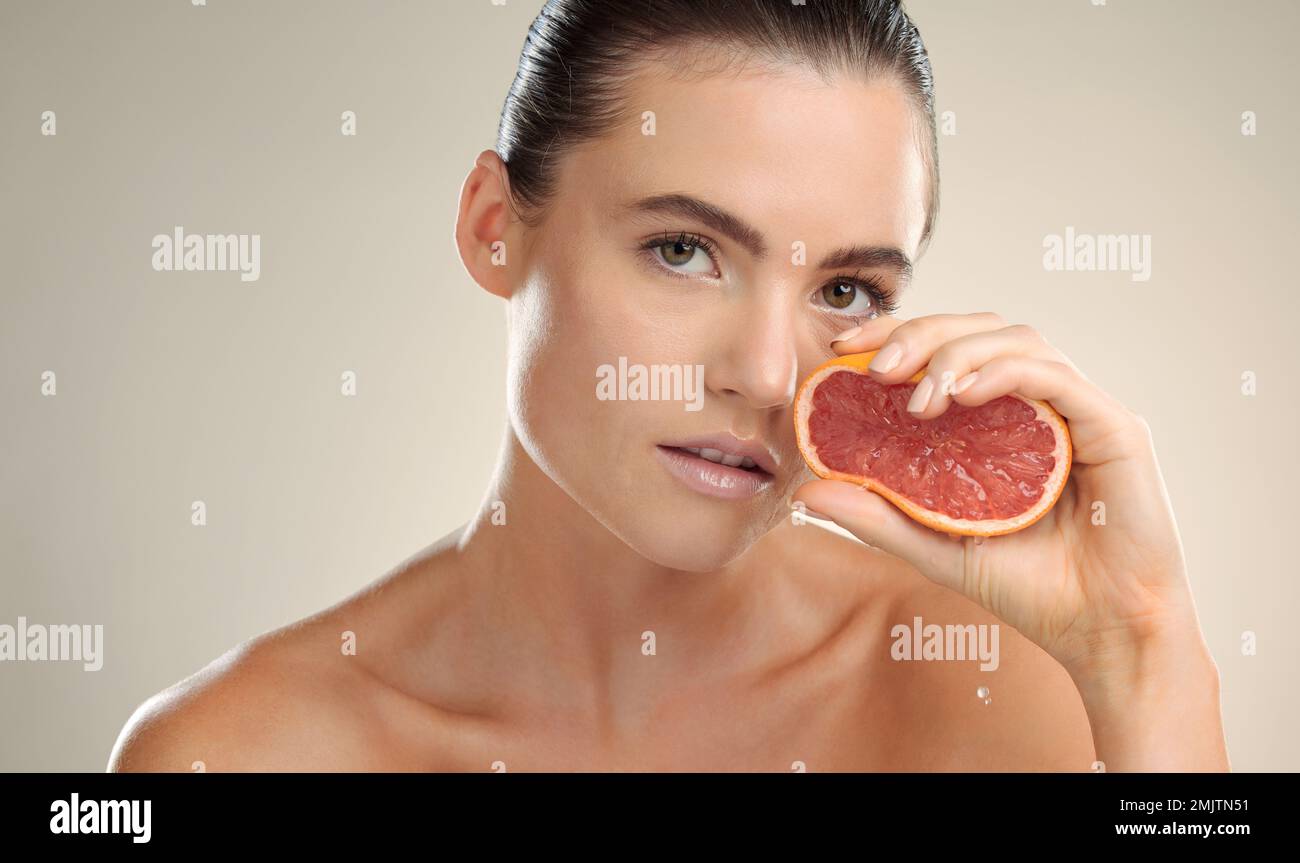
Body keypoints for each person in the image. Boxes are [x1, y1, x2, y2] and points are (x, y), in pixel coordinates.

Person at [109, 0, 1228, 772]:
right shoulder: (239, 751)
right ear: (495, 227)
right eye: (685, 250)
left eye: (843, 288)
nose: (764, 372)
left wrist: (1142, 652)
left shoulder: (987, 691)